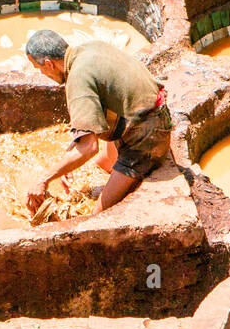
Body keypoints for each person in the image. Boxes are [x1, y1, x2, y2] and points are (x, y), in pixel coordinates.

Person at [24, 31, 172, 216]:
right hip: (146, 115)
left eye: (39, 68)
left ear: (49, 64)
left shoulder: (78, 79)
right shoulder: (89, 48)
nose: (42, 73)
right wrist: (67, 161)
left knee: (97, 215)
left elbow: (88, 147)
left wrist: (43, 179)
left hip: (147, 136)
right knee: (102, 165)